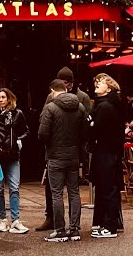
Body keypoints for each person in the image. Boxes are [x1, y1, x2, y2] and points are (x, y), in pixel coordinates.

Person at [36, 67, 94, 232]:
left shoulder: (81, 97)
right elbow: (85, 127)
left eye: (65, 82)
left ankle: (61, 228)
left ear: (71, 82)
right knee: (65, 190)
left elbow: (43, 129)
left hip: (59, 151)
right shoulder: (60, 98)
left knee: (60, 191)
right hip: (71, 151)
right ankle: (56, 220)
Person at [89, 73, 126, 239]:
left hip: (106, 151)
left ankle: (109, 226)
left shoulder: (105, 107)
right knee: (107, 187)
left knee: (107, 187)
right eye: (96, 81)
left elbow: (96, 129)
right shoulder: (108, 104)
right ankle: (108, 222)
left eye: (101, 82)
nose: (97, 84)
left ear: (109, 87)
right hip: (109, 151)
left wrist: (90, 124)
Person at [0, 88, 29, 234]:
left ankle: (15, 220)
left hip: (13, 154)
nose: (1, 100)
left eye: (3, 97)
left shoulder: (17, 114)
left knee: (14, 187)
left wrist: (19, 140)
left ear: (8, 99)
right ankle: (3, 219)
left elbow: (26, 130)